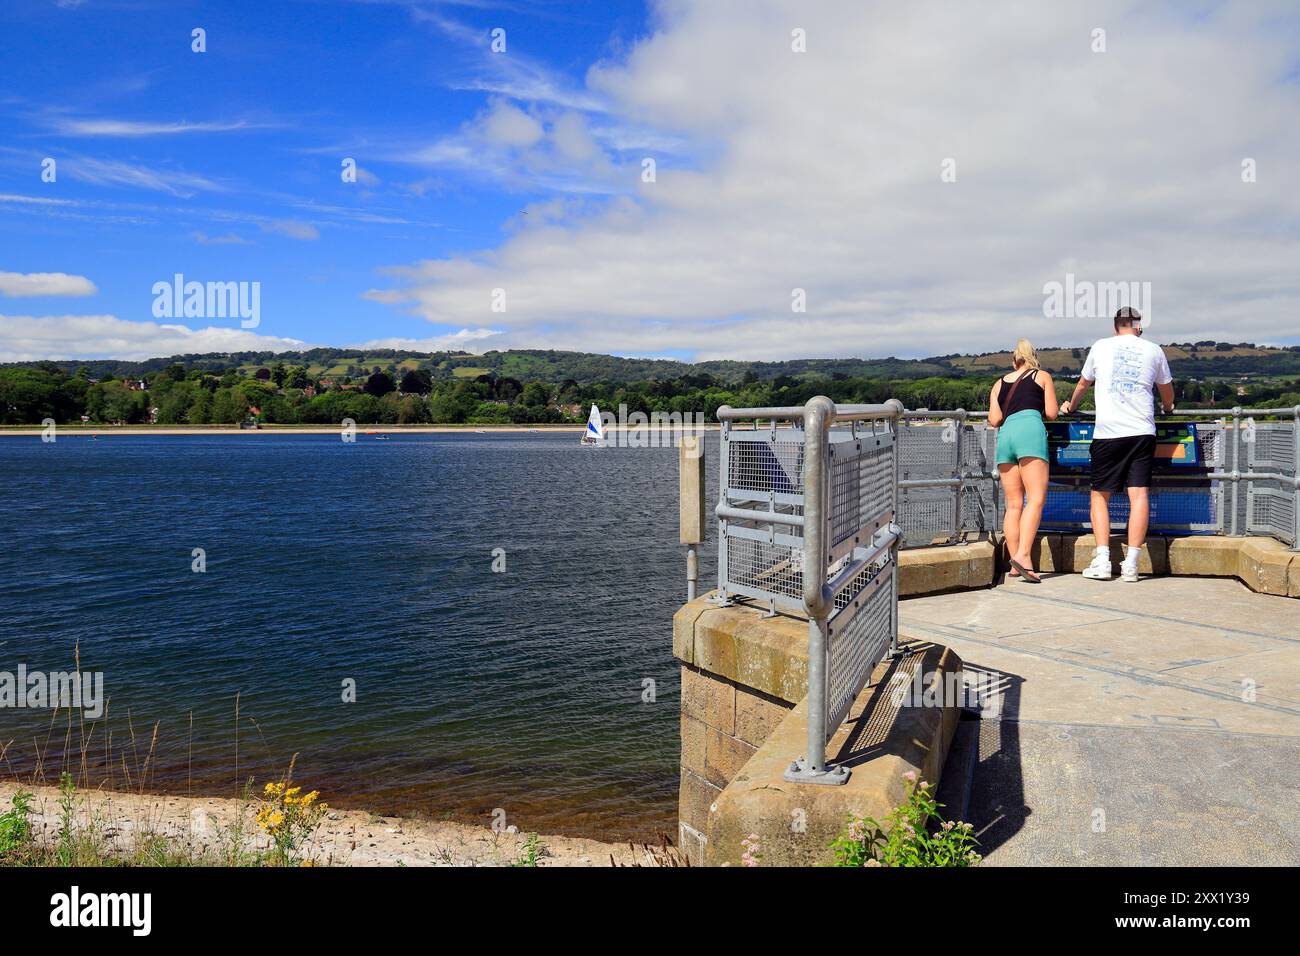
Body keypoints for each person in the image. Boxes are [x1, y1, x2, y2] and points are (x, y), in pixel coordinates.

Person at [1060, 306, 1174, 582]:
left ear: (1116, 327)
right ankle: (1132, 564)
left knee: (1100, 495)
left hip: (1107, 433)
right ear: (1138, 327)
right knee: (1139, 496)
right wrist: (1168, 408)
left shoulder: (1100, 347)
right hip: (1142, 431)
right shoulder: (1154, 350)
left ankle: (1102, 560)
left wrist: (1070, 406)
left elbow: (1082, 385)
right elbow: (1166, 391)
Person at [989, 339, 1058, 583]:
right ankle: (1025, 556)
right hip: (1030, 432)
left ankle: (1015, 563)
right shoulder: (1042, 376)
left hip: (1006, 436)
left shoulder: (999, 383)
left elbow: (994, 419)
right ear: (1033, 358)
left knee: (1014, 504)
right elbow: (1051, 413)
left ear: (1014, 360)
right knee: (1036, 498)